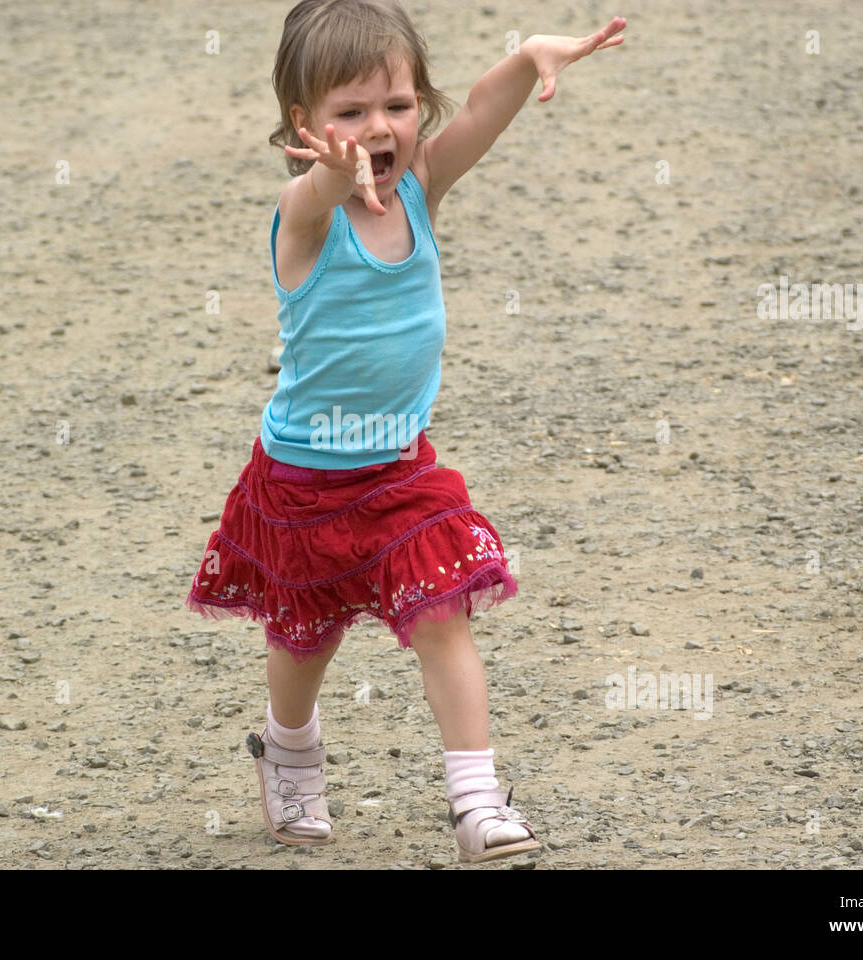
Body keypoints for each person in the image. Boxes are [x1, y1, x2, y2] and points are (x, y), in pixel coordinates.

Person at [186, 0, 625, 864]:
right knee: (302, 637)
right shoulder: (306, 214)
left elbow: (479, 118)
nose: (375, 129)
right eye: (348, 114)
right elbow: (317, 192)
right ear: (301, 127)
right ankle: (290, 750)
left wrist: (529, 55)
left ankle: (476, 803)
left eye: (393, 105)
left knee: (443, 614)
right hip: (303, 484)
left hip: (400, 474)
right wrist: (331, 173)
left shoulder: (421, 188)